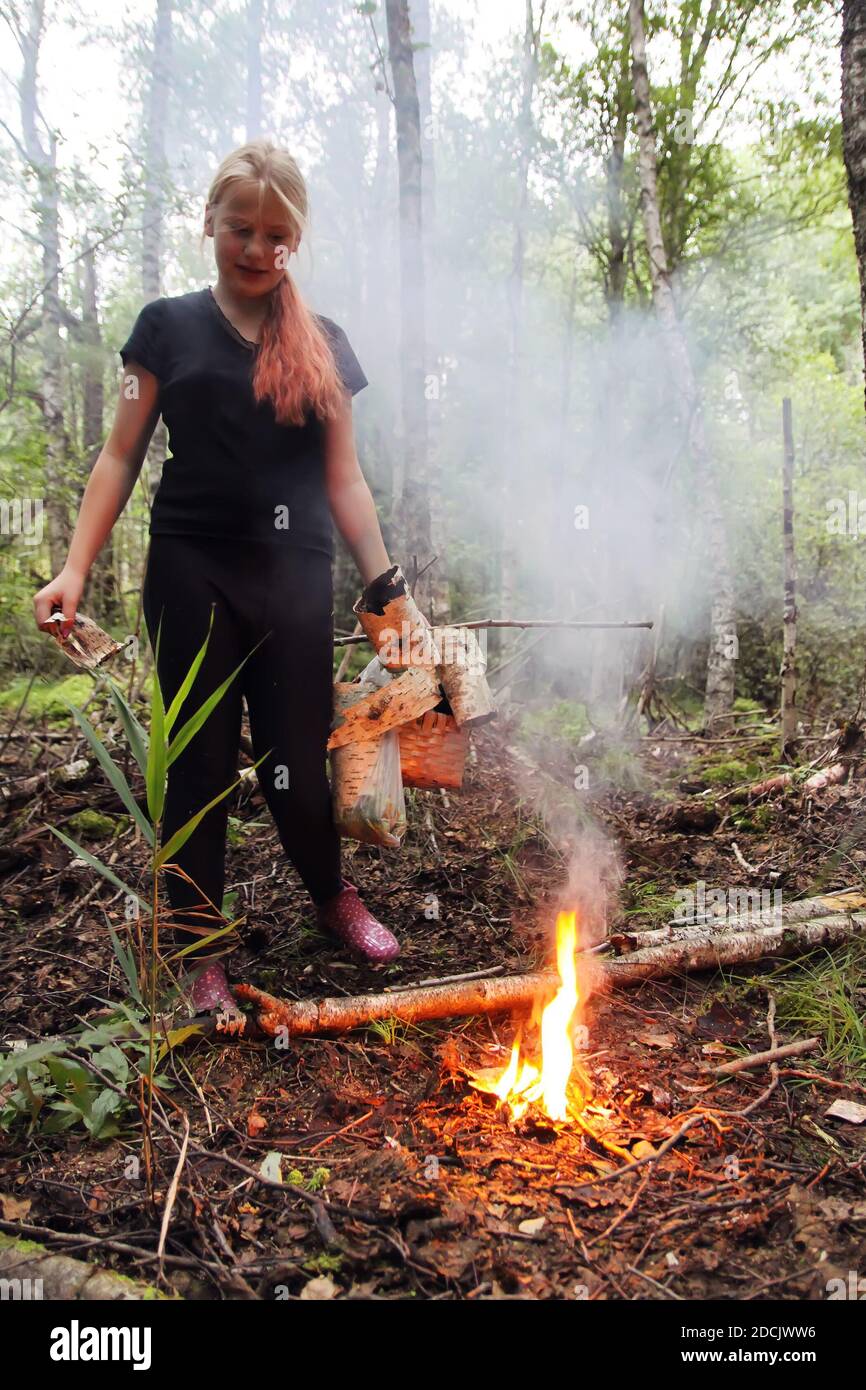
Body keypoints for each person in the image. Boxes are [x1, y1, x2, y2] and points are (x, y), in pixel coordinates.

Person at [33, 140, 402, 1030]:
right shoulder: (165, 328)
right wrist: (74, 568)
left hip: (294, 573)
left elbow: (345, 478)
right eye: (241, 227)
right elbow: (120, 453)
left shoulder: (326, 345)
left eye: (278, 235)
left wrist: (387, 585)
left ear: (295, 242)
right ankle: (199, 946)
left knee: (295, 765)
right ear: (211, 223)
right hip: (192, 567)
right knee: (196, 762)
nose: (257, 247)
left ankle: (329, 894)